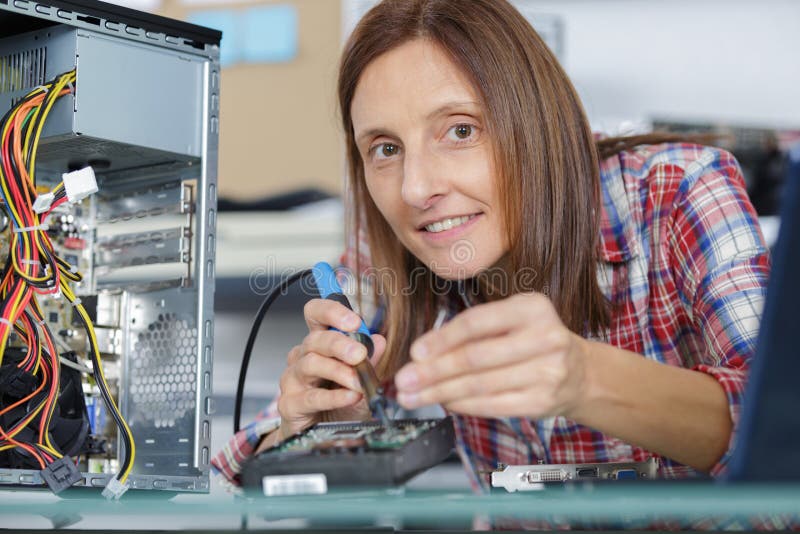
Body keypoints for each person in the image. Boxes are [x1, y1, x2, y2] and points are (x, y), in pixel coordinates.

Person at [213, 0, 768, 502]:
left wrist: (585, 378)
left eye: (459, 131)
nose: (414, 189)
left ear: (535, 120)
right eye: (385, 148)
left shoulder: (678, 190)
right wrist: (321, 429)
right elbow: (238, 466)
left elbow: (781, 434)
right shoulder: (393, 248)